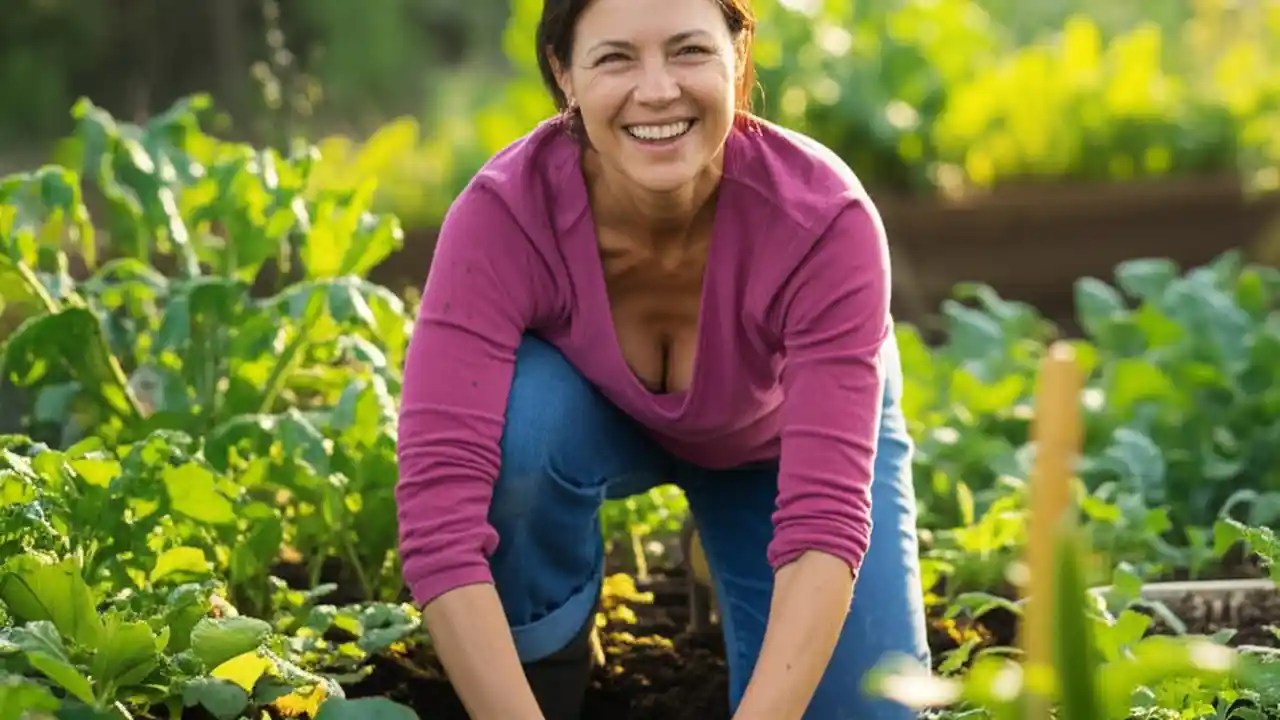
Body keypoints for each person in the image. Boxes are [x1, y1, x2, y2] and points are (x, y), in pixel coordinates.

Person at [393, 0, 931, 717]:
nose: (657, 90)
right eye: (615, 57)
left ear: (737, 54)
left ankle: (729, 543)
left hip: (772, 446)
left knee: (866, 709)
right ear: (564, 72)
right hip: (591, 421)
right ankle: (550, 663)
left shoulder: (821, 220)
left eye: (688, 51)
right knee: (520, 432)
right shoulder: (506, 216)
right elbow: (439, 522)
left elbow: (824, 521)